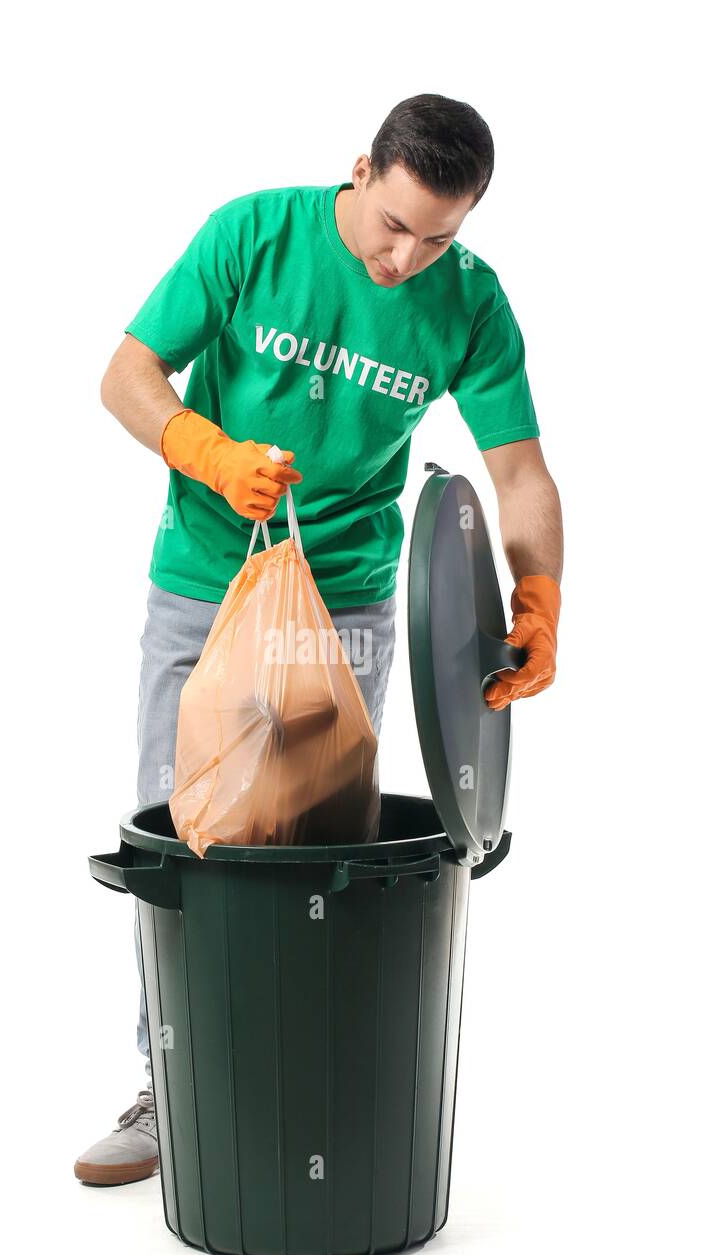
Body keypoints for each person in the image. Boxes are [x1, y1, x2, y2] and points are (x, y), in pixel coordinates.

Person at [74, 93, 563, 1186]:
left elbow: (520, 471)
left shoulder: (470, 303)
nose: (404, 258)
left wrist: (541, 594)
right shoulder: (254, 232)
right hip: (206, 581)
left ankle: (294, 1084)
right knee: (184, 840)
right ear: (360, 169)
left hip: (342, 605)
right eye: (393, 225)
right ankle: (171, 1084)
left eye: (437, 237)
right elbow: (127, 375)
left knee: (312, 837)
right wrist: (207, 451)